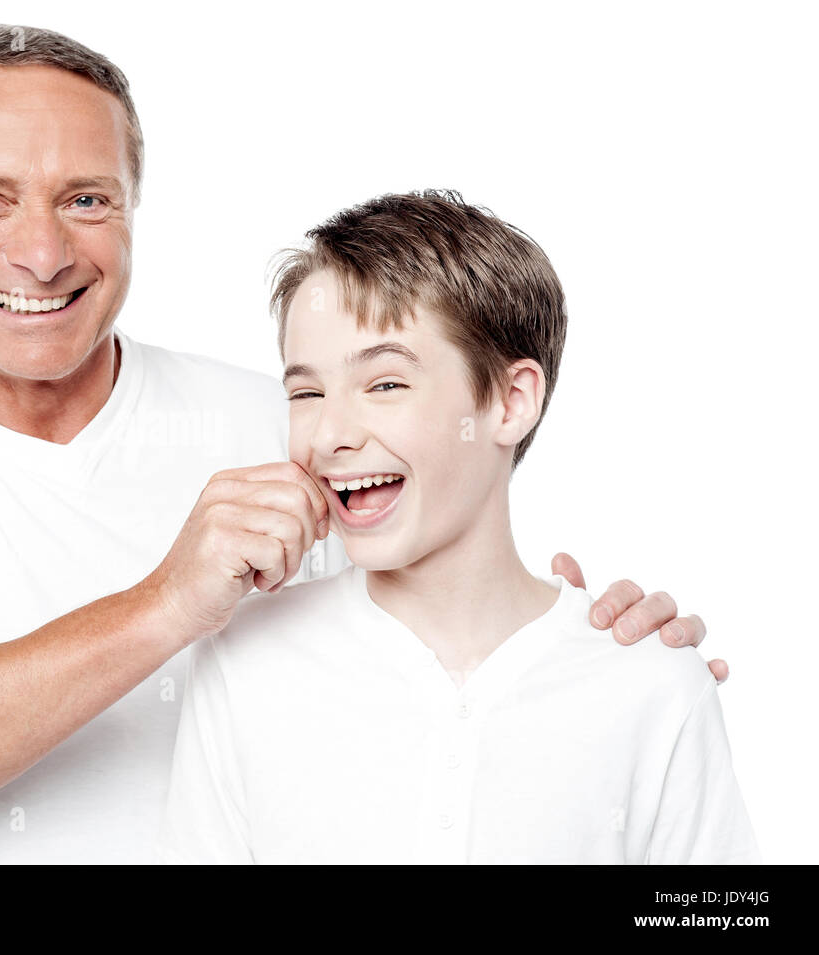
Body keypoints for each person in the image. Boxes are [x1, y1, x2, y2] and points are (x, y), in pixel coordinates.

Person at [0, 24, 716, 864]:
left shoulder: (290, 423)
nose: (43, 253)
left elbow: (448, 635)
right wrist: (166, 606)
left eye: (86, 199)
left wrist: (600, 680)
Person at [159, 191, 759, 864]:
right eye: (306, 393)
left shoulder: (651, 681)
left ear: (511, 400)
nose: (329, 435)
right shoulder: (244, 662)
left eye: (384, 384)